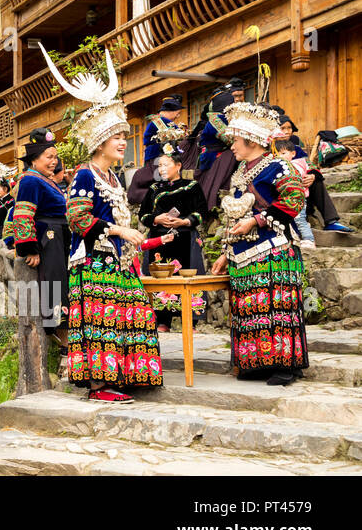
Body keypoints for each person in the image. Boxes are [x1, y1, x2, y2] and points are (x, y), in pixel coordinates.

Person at [40, 44, 163, 402]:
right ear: (99, 142)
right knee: (101, 322)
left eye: (125, 137)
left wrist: (132, 236)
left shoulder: (113, 178)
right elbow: (77, 218)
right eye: (117, 137)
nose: (124, 142)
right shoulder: (85, 176)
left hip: (118, 260)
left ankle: (122, 377)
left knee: (132, 315)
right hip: (93, 260)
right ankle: (98, 385)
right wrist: (118, 230)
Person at [209, 100, 310, 385]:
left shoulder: (278, 166)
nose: (232, 146)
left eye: (236, 140)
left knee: (277, 309)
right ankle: (258, 363)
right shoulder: (240, 173)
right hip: (243, 254)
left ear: (252, 140)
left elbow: (294, 200)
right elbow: (234, 215)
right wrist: (225, 254)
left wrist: (257, 221)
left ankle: (283, 366)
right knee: (253, 311)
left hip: (274, 250)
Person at [3, 129, 70, 345]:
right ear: (34, 159)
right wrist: (29, 248)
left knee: (62, 286)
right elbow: (22, 215)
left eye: (55, 157)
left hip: (60, 237)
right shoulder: (31, 181)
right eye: (49, 157)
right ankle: (64, 345)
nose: (54, 162)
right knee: (55, 288)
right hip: (49, 240)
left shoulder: (45, 180)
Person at [138, 144, 207, 331]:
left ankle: (189, 320)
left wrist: (184, 222)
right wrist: (156, 219)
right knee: (161, 277)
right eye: (159, 166)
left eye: (166, 164)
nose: (161, 169)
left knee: (187, 276)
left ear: (178, 166)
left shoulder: (191, 186)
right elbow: (143, 215)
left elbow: (201, 212)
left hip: (185, 238)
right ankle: (163, 320)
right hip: (159, 242)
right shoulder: (154, 188)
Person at [270, 107, 354, 233]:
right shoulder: (269, 149)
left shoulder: (295, 149)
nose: (287, 131)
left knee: (316, 180)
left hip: (302, 190)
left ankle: (331, 221)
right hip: (281, 192)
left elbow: (310, 165)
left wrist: (312, 176)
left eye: (289, 128)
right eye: (283, 128)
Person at [128, 94, 188, 204]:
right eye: (177, 113)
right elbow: (179, 134)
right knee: (158, 179)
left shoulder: (163, 121)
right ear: (170, 111)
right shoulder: (160, 122)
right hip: (157, 157)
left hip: (160, 156)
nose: (177, 116)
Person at [198, 90, 240, 211]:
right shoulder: (216, 120)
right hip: (211, 155)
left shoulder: (227, 117)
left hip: (225, 150)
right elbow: (230, 140)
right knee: (231, 156)